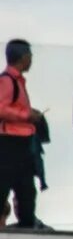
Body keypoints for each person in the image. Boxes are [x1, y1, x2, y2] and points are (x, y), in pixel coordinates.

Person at [0, 39, 43, 229]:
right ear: (23, 57)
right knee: (7, 185)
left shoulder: (16, 82)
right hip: (10, 142)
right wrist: (26, 115)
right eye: (30, 56)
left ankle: (27, 225)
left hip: (21, 143)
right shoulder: (7, 81)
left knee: (26, 190)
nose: (31, 60)